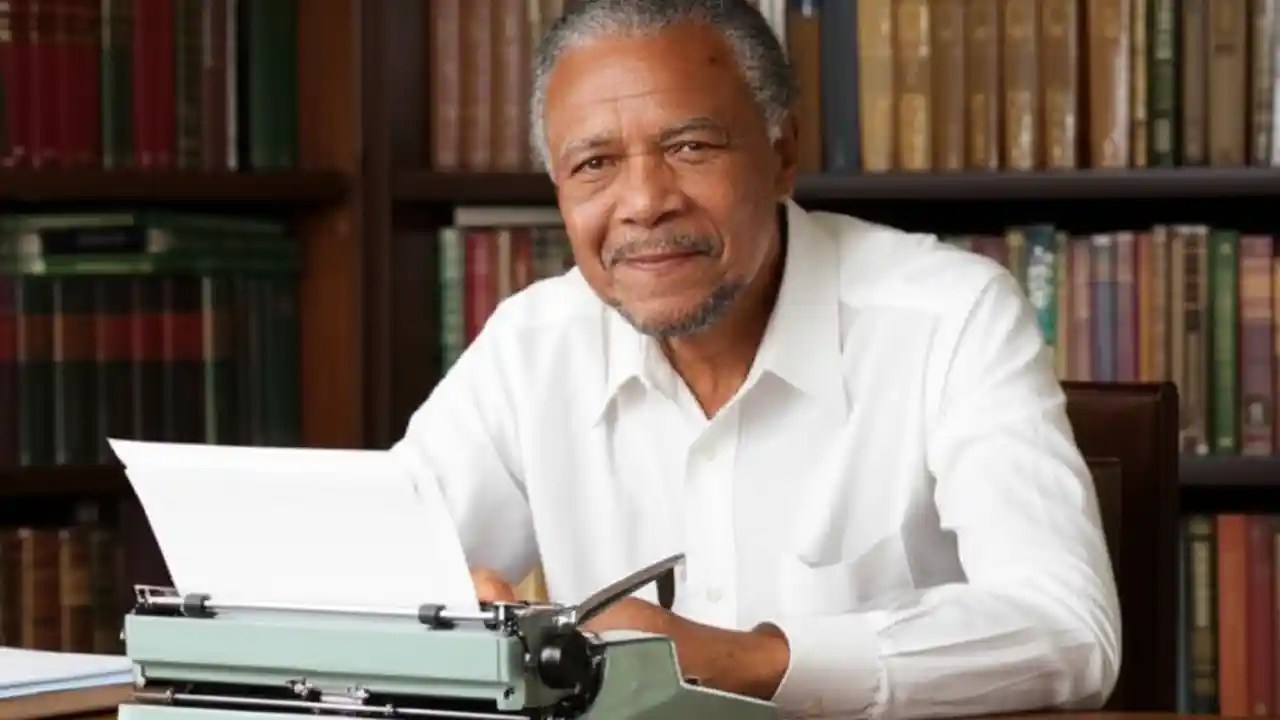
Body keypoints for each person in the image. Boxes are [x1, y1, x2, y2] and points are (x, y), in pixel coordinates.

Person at [392, 0, 1121, 717]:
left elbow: (1067, 628)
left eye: (690, 148)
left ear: (782, 156)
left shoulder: (950, 317)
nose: (644, 202)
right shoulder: (531, 344)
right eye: (595, 163)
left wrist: (729, 658)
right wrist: (439, 620)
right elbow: (358, 583)